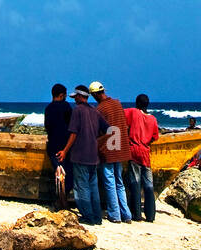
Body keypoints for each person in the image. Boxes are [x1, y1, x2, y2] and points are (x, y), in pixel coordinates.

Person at [57, 84, 104, 225]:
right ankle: (97, 217)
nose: (74, 99)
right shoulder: (95, 112)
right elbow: (109, 130)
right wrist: (96, 141)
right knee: (93, 188)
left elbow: (73, 133)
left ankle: (88, 216)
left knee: (81, 187)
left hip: (80, 155)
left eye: (75, 97)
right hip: (93, 156)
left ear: (79, 96)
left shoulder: (77, 111)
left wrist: (65, 150)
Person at [90, 82, 132, 223]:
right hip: (119, 147)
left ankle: (115, 214)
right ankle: (126, 214)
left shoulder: (100, 109)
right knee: (119, 182)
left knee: (109, 181)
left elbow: (98, 131)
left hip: (107, 148)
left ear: (95, 94)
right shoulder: (117, 104)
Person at [124, 93, 160, 221]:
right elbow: (155, 137)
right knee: (149, 185)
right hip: (145, 152)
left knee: (135, 183)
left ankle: (137, 214)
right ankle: (150, 215)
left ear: (137, 103)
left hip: (134, 150)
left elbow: (120, 115)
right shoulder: (153, 119)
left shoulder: (133, 112)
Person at [43, 83, 73, 206]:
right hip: (65, 146)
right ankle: (64, 198)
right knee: (68, 173)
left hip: (53, 145)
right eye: (65, 95)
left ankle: (59, 199)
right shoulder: (66, 107)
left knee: (57, 172)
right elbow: (72, 127)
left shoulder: (48, 108)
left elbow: (47, 127)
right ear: (61, 95)